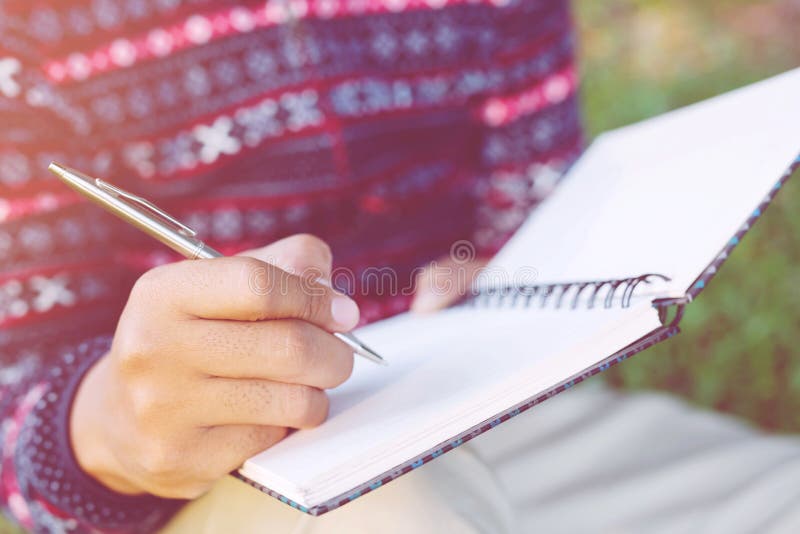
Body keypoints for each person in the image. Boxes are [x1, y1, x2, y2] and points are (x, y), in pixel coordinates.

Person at [3, 1, 800, 533]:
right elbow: (17, 415)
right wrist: (111, 425)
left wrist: (504, 273)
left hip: (490, 405)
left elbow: (532, 206)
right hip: (236, 473)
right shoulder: (32, 31)